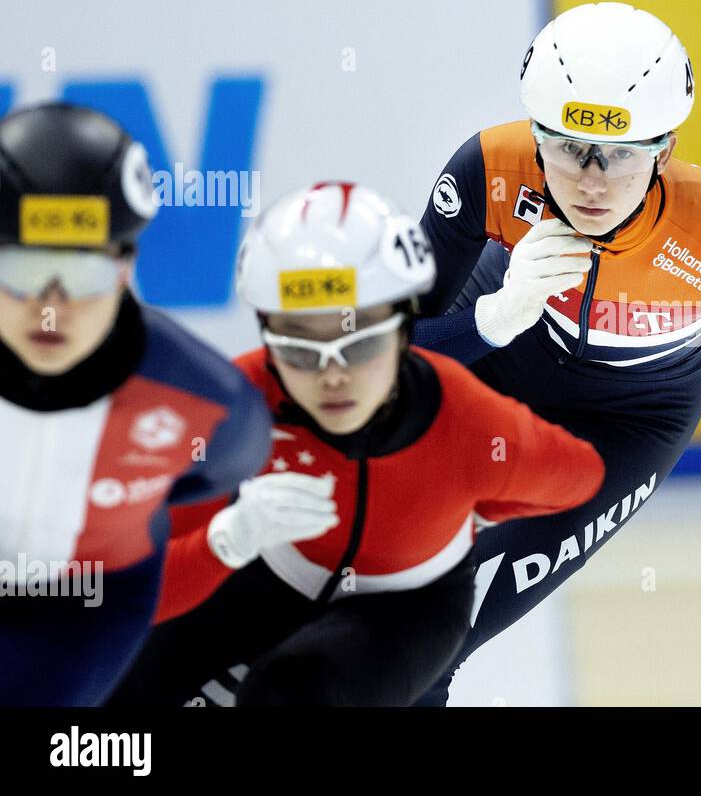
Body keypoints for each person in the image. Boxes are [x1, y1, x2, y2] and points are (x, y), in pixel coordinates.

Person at [411, 2, 701, 703]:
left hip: (630, 424)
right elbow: (386, 357)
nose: (594, 181)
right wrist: (495, 318)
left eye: (624, 154)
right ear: (536, 137)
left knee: (435, 633)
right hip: (498, 364)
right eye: (570, 149)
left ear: (665, 151)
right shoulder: (491, 165)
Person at [109, 182, 604, 706]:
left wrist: (470, 513)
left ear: (403, 330)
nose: (333, 376)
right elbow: (133, 593)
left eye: (360, 344)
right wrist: (227, 539)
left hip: (406, 609)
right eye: (301, 350)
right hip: (271, 574)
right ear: (265, 336)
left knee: (291, 696)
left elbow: (580, 477)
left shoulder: (464, 415)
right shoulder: (233, 406)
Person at [0, 103, 271, 705]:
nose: (52, 305)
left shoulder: (212, 406)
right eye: (25, 266)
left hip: (87, 601)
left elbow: (216, 471)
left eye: (83, 274)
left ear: (125, 271)